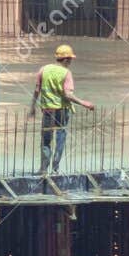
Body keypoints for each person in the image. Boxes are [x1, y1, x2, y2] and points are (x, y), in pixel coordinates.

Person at [32, 43, 96, 176]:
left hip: (48, 111)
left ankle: (43, 169)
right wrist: (84, 103)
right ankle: (55, 169)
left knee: (46, 140)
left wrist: (32, 107)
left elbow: (37, 90)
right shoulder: (66, 73)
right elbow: (67, 95)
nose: (71, 61)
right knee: (60, 138)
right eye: (70, 59)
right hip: (61, 111)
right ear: (66, 59)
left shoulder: (43, 69)